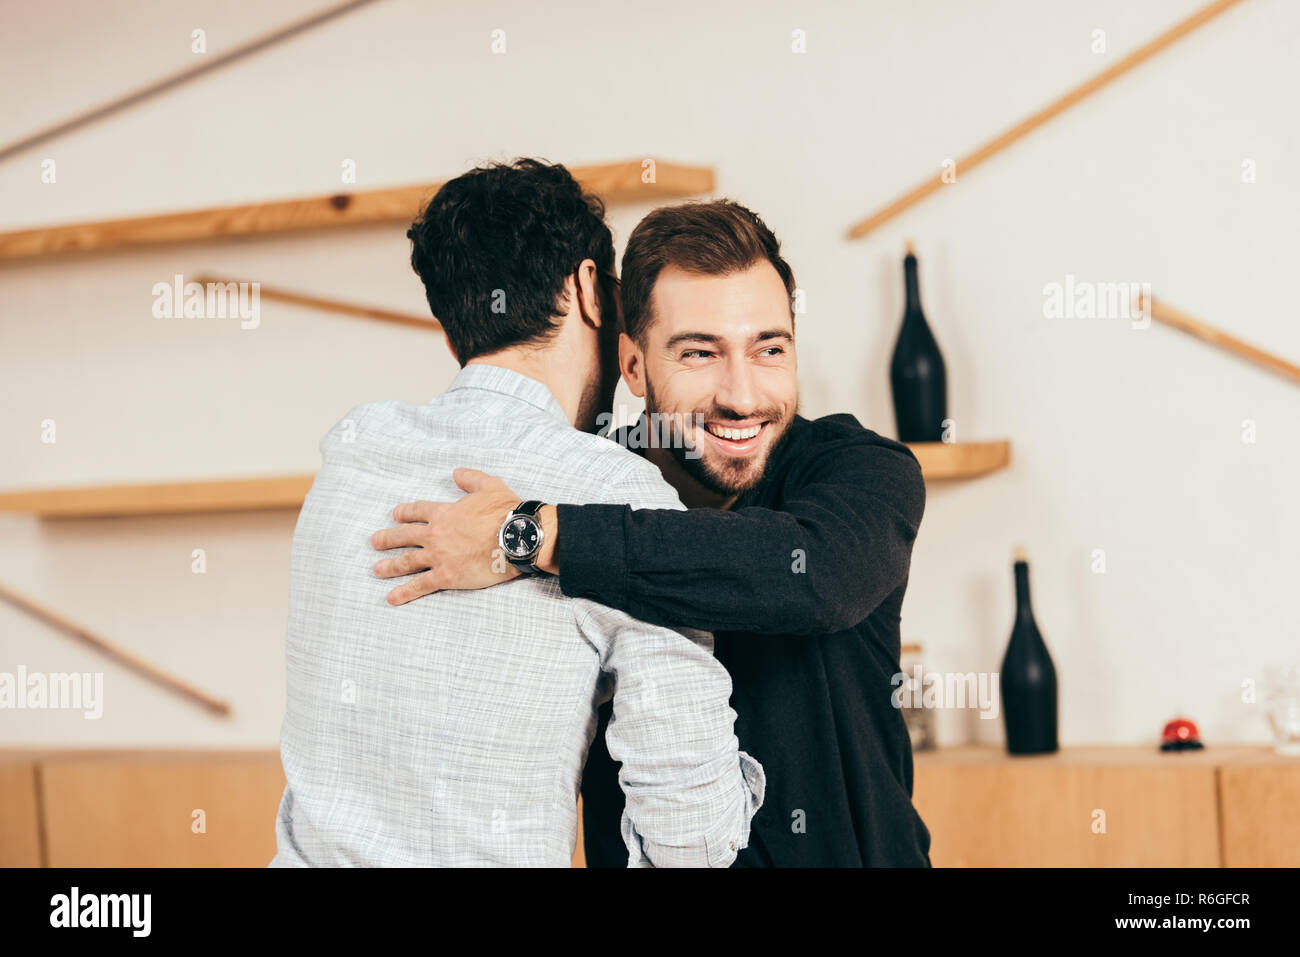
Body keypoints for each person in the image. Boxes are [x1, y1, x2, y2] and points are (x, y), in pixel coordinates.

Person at [369, 199, 932, 866]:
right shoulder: (583, 484)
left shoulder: (862, 470)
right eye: (700, 352)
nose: (744, 395)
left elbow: (812, 575)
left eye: (769, 348)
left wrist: (539, 538)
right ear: (633, 366)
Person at [270, 160, 763, 868]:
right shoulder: (620, 494)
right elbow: (691, 838)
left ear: (453, 333)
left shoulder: (351, 457)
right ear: (591, 288)